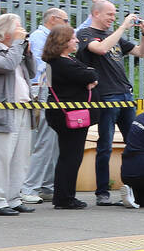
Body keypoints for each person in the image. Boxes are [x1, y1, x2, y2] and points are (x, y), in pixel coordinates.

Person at [76, 0, 144, 205]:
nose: (113, 18)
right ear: (96, 13)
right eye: (109, 14)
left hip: (125, 94)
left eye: (115, 15)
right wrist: (123, 27)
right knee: (105, 145)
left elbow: (141, 53)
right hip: (107, 96)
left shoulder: (113, 36)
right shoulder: (85, 34)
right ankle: (102, 192)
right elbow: (99, 49)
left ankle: (136, 187)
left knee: (134, 143)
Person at [40, 24, 99, 210]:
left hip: (66, 113)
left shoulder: (62, 61)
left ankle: (64, 195)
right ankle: (65, 198)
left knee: (69, 155)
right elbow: (89, 74)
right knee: (71, 157)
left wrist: (90, 77)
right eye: (73, 38)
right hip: (69, 115)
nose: (76, 41)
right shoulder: (61, 63)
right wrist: (90, 78)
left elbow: (89, 74)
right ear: (63, 42)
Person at [20, 7, 69, 204]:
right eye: (65, 21)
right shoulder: (41, 36)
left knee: (52, 140)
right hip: (42, 93)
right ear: (54, 19)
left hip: (48, 93)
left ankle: (47, 185)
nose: (67, 25)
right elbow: (40, 68)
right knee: (44, 140)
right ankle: (29, 187)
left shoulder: (48, 37)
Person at [0, 13, 38, 216]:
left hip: (23, 109)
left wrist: (27, 53)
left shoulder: (16, 51)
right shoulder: (2, 52)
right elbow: (6, 66)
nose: (22, 29)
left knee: (20, 158)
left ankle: (13, 198)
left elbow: (31, 73)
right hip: (4, 111)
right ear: (4, 31)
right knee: (1, 158)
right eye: (18, 26)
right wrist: (18, 45)